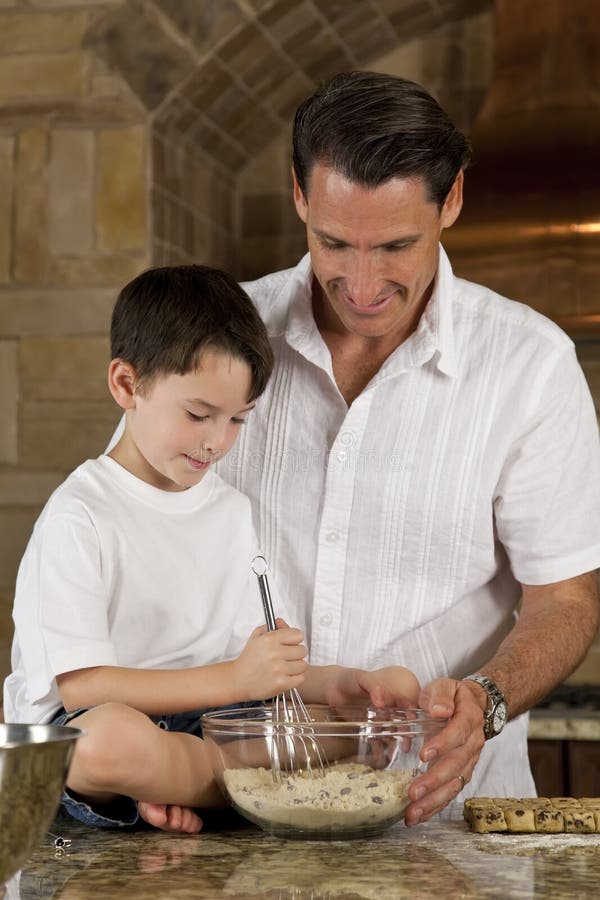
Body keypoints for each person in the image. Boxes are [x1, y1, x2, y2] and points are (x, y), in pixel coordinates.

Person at [212, 71, 600, 823]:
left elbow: (567, 598)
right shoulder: (214, 337)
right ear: (299, 193)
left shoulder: (531, 366)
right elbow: (122, 526)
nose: (360, 284)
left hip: (447, 827)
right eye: (333, 242)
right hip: (237, 811)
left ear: (450, 200)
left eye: (394, 245)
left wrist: (486, 700)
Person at [3, 264, 420, 835]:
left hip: (203, 724)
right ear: (127, 385)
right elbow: (83, 687)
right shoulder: (81, 514)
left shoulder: (229, 510)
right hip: (82, 729)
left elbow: (249, 668)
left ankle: (180, 786)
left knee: (334, 721)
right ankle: (233, 789)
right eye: (199, 414)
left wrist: (340, 685)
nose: (217, 442)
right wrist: (236, 682)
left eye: (237, 421)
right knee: (103, 742)